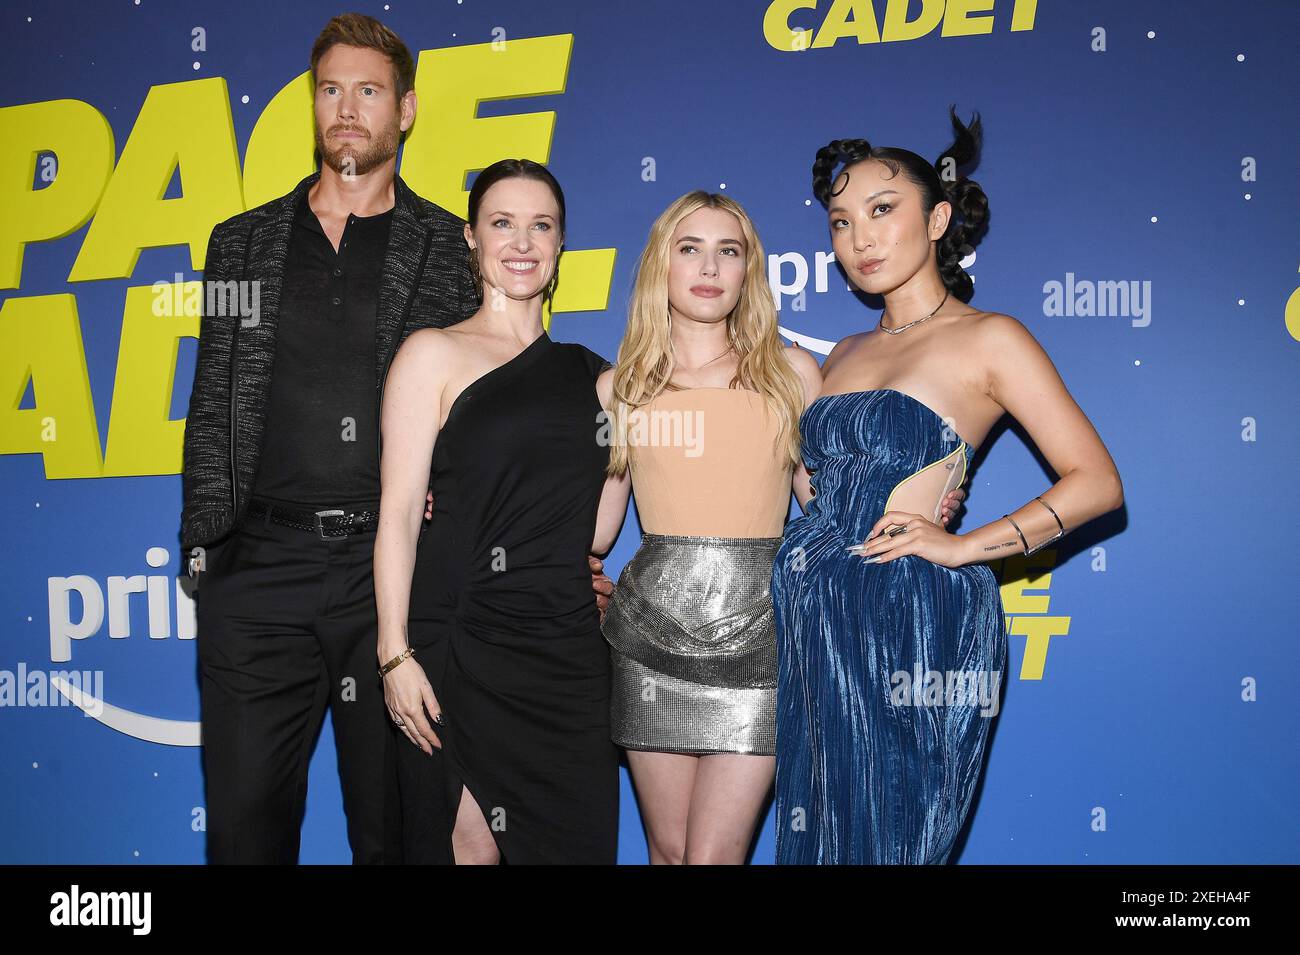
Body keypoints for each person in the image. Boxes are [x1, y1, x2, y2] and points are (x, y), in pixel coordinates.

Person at [772, 108, 1124, 864]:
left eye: (881, 210)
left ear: (936, 218)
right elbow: (818, 492)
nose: (859, 238)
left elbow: (1096, 481)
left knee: (892, 838)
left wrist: (966, 546)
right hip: (816, 623)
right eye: (839, 221)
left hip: (916, 622)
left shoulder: (990, 338)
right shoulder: (841, 355)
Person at [181, 14, 478, 864]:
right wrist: (206, 543)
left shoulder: (450, 248)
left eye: (369, 91)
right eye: (331, 89)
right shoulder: (241, 244)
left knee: (393, 837)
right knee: (243, 838)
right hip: (256, 577)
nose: (347, 109)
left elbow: (481, 400)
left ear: (406, 109)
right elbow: (213, 407)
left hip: (386, 578)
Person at [597, 192, 968, 863]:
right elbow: (597, 527)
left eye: (728, 251)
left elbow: (827, 500)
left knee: (712, 855)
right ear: (661, 264)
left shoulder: (791, 373)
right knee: (669, 851)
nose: (709, 266)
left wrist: (919, 495)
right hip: (649, 634)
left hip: (765, 634)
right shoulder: (619, 385)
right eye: (690, 248)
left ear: (749, 271)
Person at [376, 159, 620, 864]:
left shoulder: (596, 378)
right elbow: (397, 513)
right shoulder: (432, 353)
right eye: (502, 223)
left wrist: (631, 436)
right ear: (472, 239)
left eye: (540, 225)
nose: (522, 241)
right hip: (456, 643)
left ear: (560, 244)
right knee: (469, 850)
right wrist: (393, 653)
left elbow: (598, 532)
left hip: (565, 658)